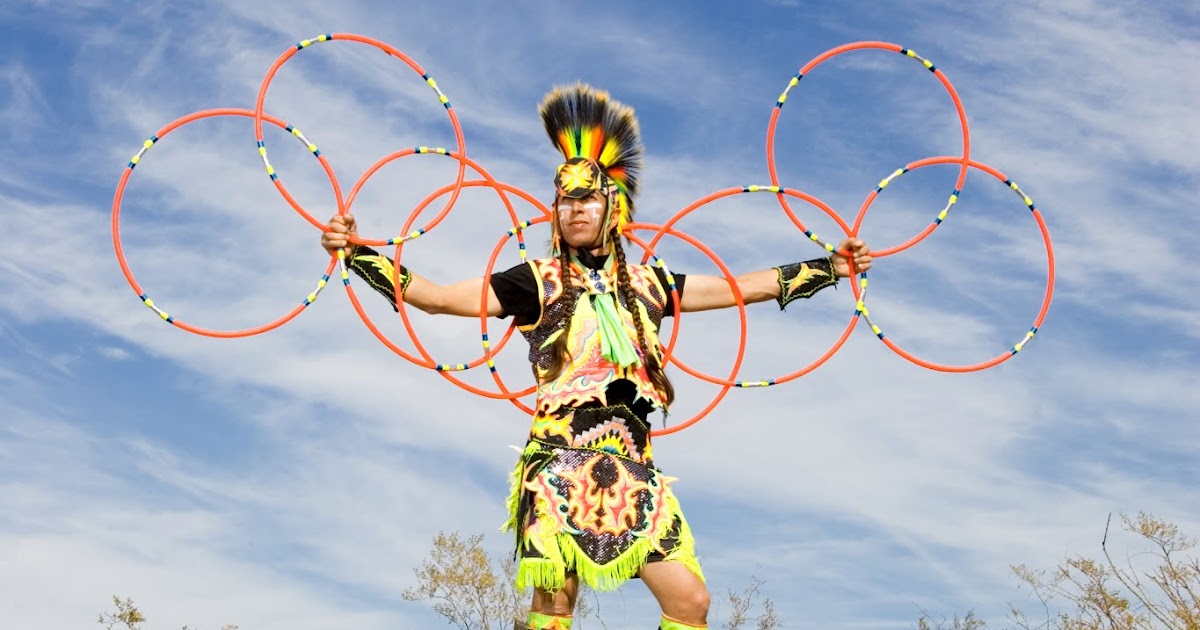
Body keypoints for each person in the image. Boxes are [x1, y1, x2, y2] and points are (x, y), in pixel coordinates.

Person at [321, 83, 872, 630]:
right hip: (558, 467)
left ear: (613, 206)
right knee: (555, 610)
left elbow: (743, 287)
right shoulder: (535, 282)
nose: (575, 209)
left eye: (586, 198)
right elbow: (438, 299)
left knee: (691, 603)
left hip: (635, 472)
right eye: (565, 200)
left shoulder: (650, 285)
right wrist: (356, 251)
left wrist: (832, 267)